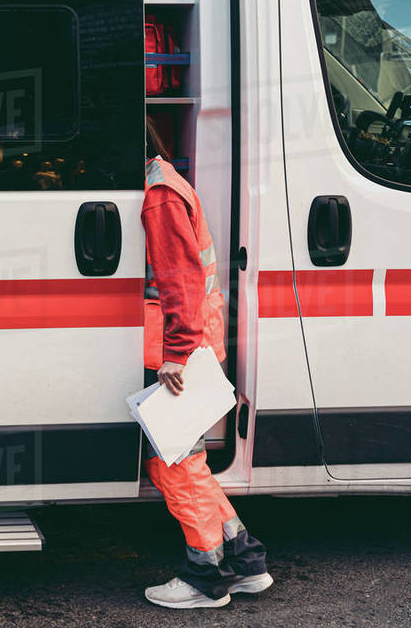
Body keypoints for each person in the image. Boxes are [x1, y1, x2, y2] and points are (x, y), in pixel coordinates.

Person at [139, 123, 272, 609]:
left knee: (175, 464)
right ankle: (245, 560)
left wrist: (176, 354)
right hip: (190, 347)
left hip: (179, 354)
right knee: (182, 461)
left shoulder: (159, 195)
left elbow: (181, 280)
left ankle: (206, 577)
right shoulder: (165, 182)